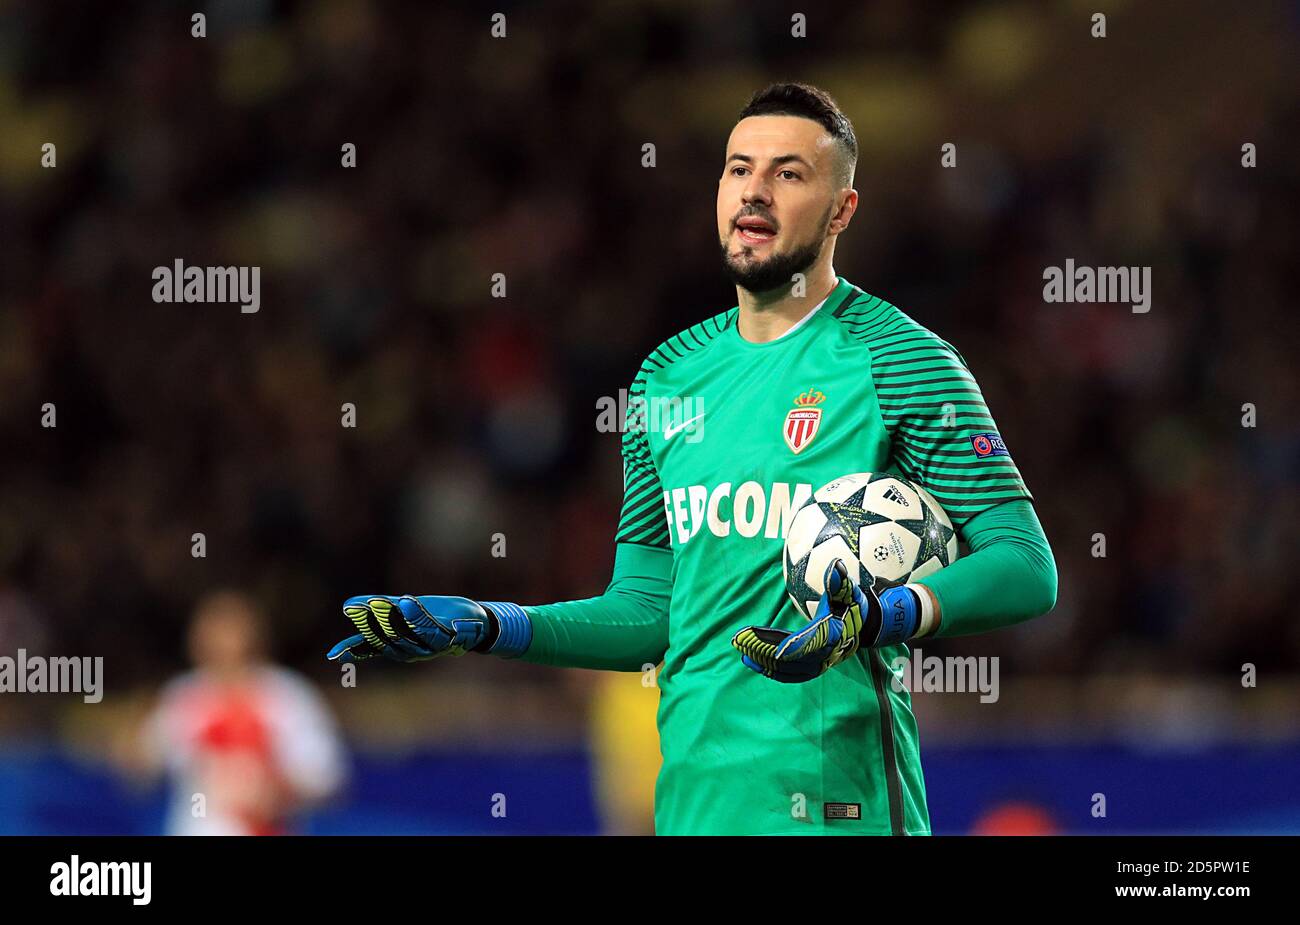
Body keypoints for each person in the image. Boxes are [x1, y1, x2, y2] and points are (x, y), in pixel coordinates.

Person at [328, 83, 1057, 835]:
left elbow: (1027, 565)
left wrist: (882, 614)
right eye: (739, 168)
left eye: (788, 173)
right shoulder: (666, 378)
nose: (755, 191)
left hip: (841, 810)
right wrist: (490, 623)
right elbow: (648, 613)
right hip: (691, 811)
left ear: (842, 210)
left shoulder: (902, 361)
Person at [142, 590, 345, 835]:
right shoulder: (183, 697)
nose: (224, 645)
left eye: (232, 632)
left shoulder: (287, 696)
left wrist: (276, 791)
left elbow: (326, 778)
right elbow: (145, 765)